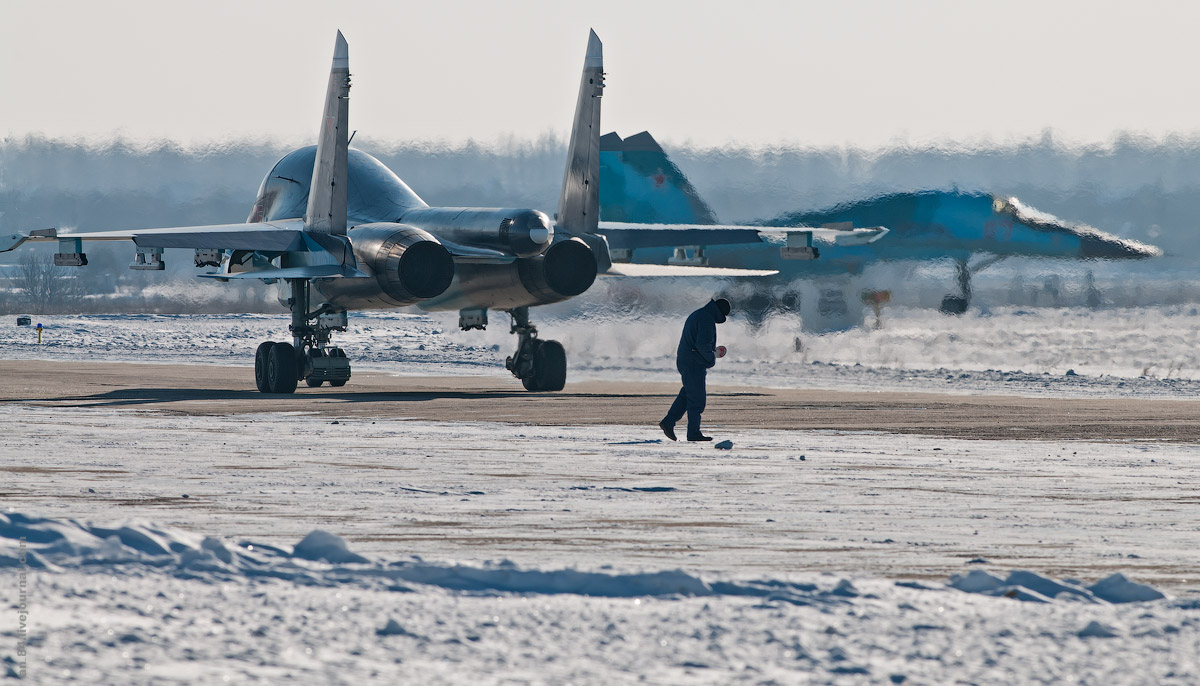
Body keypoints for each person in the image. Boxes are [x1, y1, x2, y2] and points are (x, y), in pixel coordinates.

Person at [659, 298, 730, 442]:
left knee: (687, 395)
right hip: (694, 363)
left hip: (686, 360)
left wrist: (710, 353)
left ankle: (668, 422)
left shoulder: (700, 314)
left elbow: (699, 344)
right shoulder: (706, 319)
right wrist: (711, 359)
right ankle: (693, 433)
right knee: (697, 400)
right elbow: (702, 344)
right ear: (719, 313)